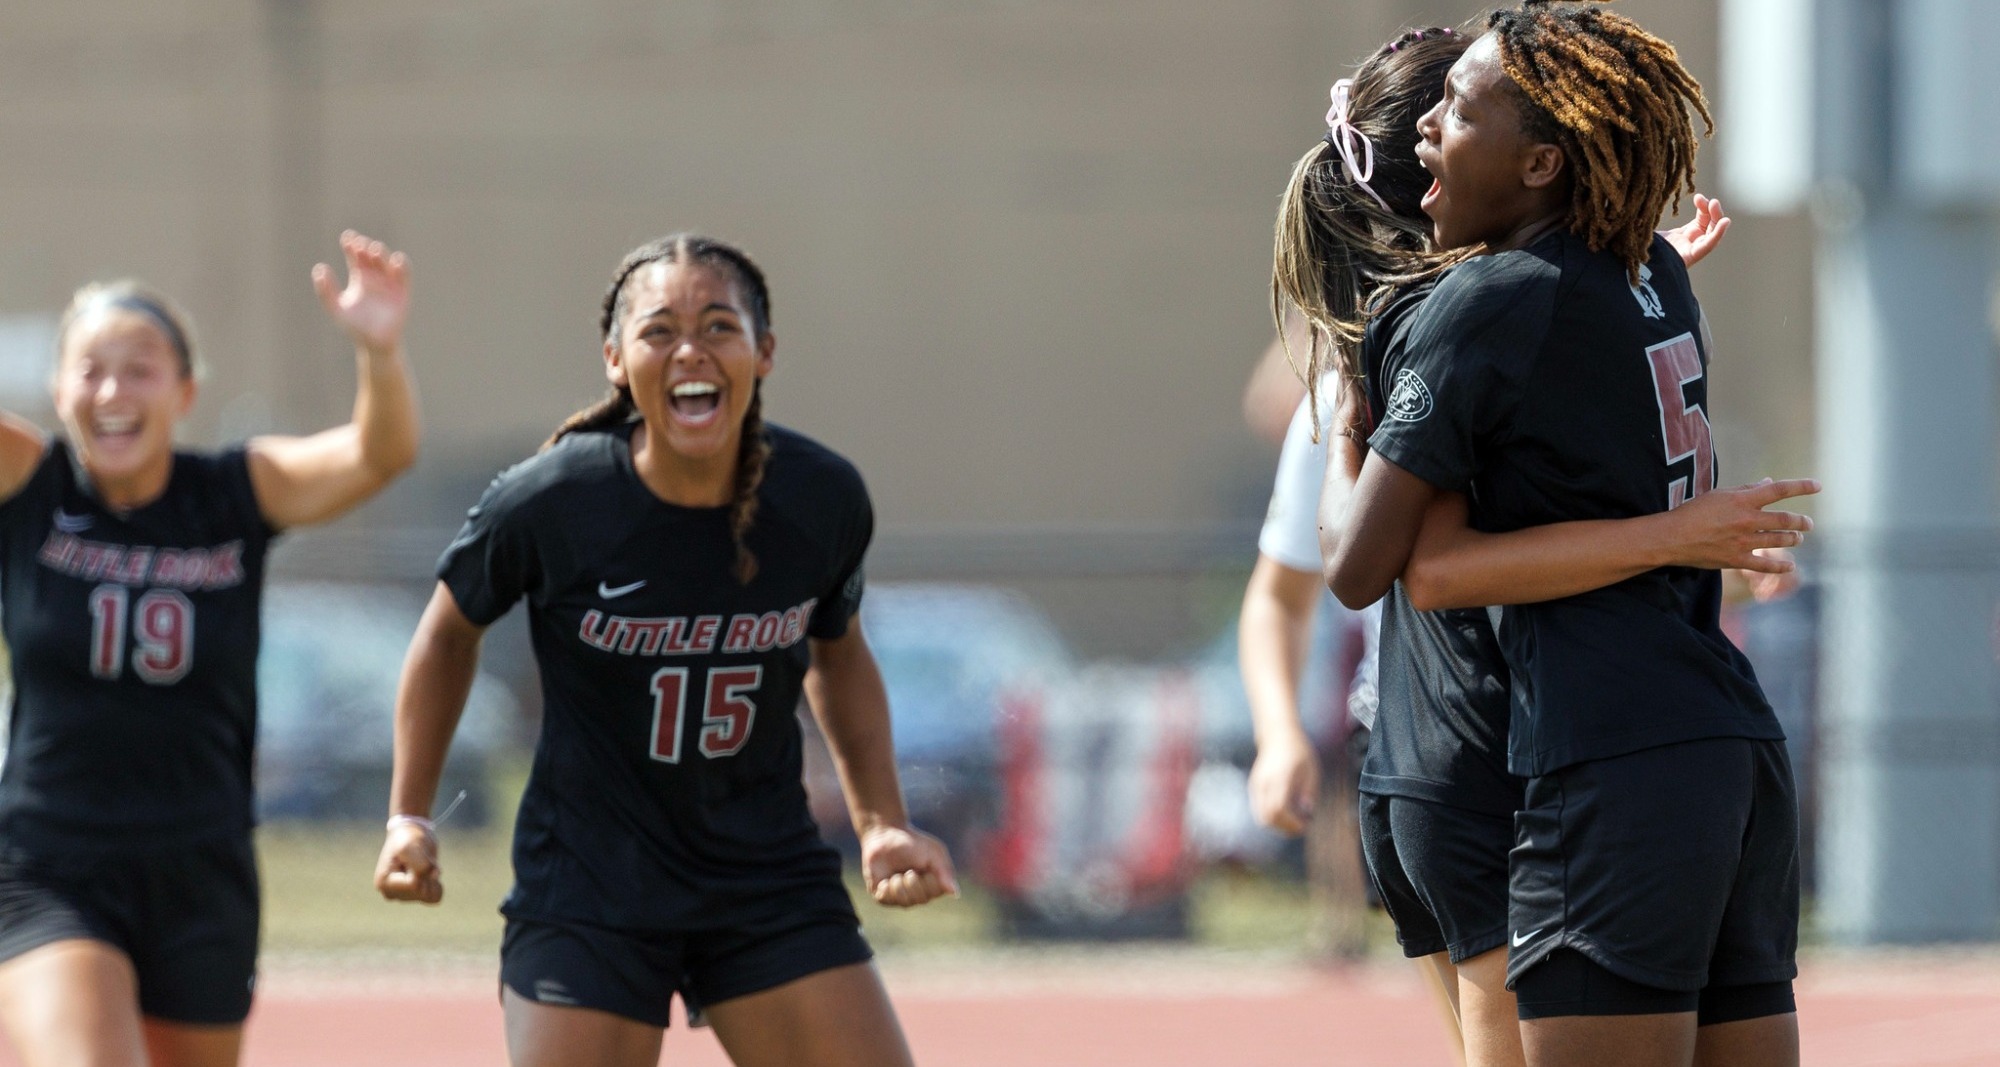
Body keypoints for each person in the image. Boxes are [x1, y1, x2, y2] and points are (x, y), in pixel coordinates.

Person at [1251, 22, 1810, 1067]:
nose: (1432, 128)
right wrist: (1679, 534)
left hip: (1579, 754)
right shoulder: (1640, 266)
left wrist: (1349, 394)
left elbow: (1381, 568)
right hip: (1718, 735)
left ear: (1539, 159)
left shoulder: (1477, 307)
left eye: (1458, 110)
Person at [375, 233, 957, 1067]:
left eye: (720, 326)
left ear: (764, 352)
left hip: (765, 878)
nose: (691, 349)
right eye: (659, 331)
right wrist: (408, 815)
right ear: (615, 359)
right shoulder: (553, 500)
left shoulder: (820, 496)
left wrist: (881, 826)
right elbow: (446, 633)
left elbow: (838, 651)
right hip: (588, 888)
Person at [0, 232, 420, 1067]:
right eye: (91, 369)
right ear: (57, 389)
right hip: (53, 865)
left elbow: (381, 452)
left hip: (202, 869)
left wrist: (379, 349)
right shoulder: (29, 484)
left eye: (142, 367)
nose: (114, 389)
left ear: (186, 390)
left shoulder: (233, 492)